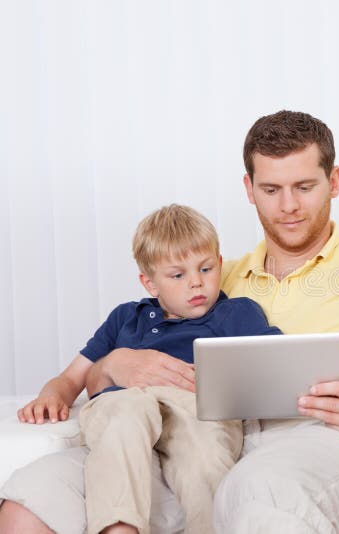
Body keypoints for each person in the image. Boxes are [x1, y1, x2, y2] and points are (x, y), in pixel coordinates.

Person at [0, 112, 339, 534]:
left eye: (305, 187)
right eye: (271, 189)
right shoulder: (213, 281)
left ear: (335, 181)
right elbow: (105, 366)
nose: (288, 205)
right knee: (32, 500)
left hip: (323, 437)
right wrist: (113, 365)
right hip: (193, 437)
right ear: (249, 189)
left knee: (261, 492)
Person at [7, 204, 282, 534]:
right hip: (127, 402)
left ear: (220, 265)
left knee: (206, 454)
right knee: (124, 416)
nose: (196, 283)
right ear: (150, 284)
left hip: (195, 408)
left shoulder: (237, 313)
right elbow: (72, 377)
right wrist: (51, 395)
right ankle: (118, 527)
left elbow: (273, 361)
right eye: (178, 275)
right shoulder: (126, 318)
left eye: (206, 269)